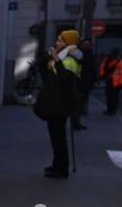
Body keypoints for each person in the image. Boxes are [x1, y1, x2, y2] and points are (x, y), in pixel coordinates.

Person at [33, 29, 85, 178]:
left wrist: (56, 59)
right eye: (57, 40)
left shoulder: (71, 58)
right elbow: (46, 74)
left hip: (61, 103)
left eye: (60, 40)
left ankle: (62, 169)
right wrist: (48, 57)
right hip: (55, 101)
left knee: (58, 137)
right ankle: (57, 164)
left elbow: (64, 78)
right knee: (55, 137)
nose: (57, 43)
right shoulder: (61, 55)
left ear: (68, 43)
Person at [75, 37, 96, 130]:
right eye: (85, 44)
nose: (87, 46)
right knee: (77, 105)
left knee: (80, 105)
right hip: (80, 84)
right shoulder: (79, 55)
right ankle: (75, 123)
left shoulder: (90, 54)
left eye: (88, 44)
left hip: (86, 84)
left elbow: (92, 69)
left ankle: (76, 123)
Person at [99, 50, 122, 115]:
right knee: (110, 96)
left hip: (114, 82)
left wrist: (101, 76)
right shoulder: (118, 61)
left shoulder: (116, 61)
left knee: (112, 97)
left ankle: (111, 110)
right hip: (113, 81)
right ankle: (110, 110)